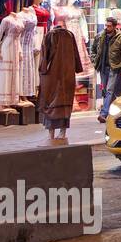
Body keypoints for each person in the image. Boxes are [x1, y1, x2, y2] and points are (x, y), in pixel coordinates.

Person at [39, 16, 82, 145]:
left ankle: (51, 135)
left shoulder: (50, 36)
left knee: (51, 103)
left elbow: (44, 56)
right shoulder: (70, 35)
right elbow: (76, 54)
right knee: (65, 104)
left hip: (52, 75)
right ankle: (62, 133)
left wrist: (42, 71)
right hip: (67, 75)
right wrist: (77, 68)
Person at [91, 17, 121, 123]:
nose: (107, 28)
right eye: (106, 25)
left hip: (114, 68)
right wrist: (94, 60)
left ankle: (103, 114)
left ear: (114, 26)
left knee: (109, 90)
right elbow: (93, 49)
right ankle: (113, 114)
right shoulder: (100, 36)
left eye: (109, 26)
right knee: (107, 91)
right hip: (103, 67)